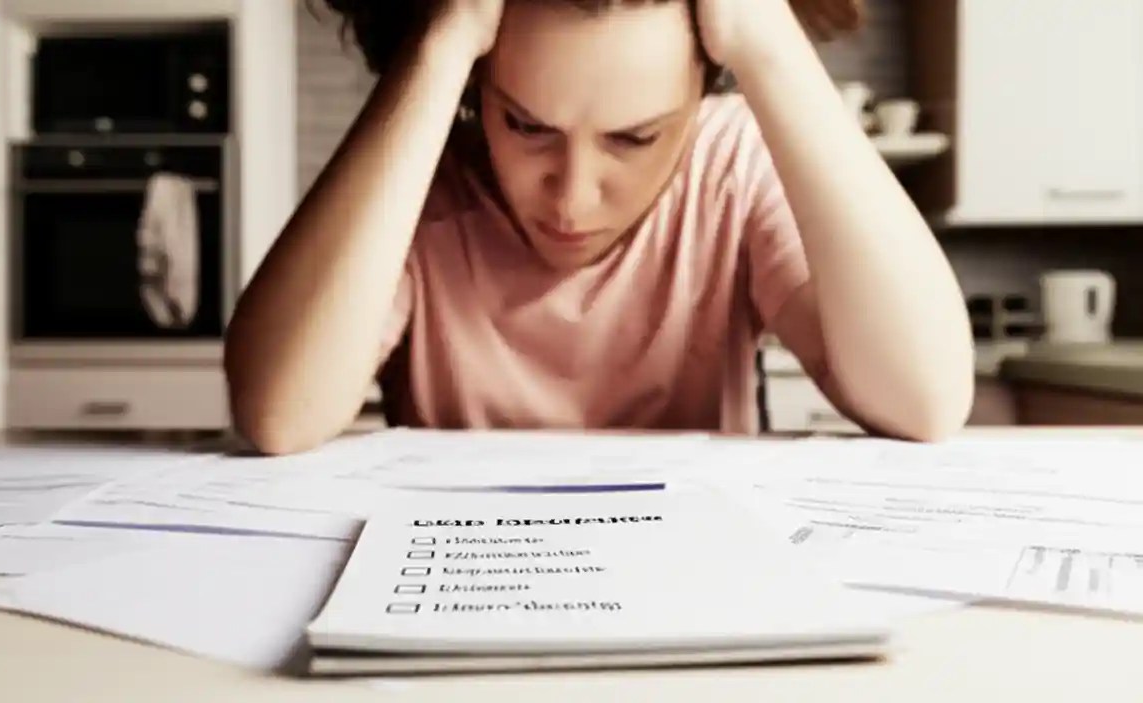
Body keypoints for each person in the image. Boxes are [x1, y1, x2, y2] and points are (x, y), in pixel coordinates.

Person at [222, 0, 975, 455]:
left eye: (635, 137)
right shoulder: (418, 185)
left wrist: (769, 45)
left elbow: (926, 401)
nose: (572, 201)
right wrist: (441, 41)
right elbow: (279, 415)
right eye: (524, 125)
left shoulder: (731, 164)